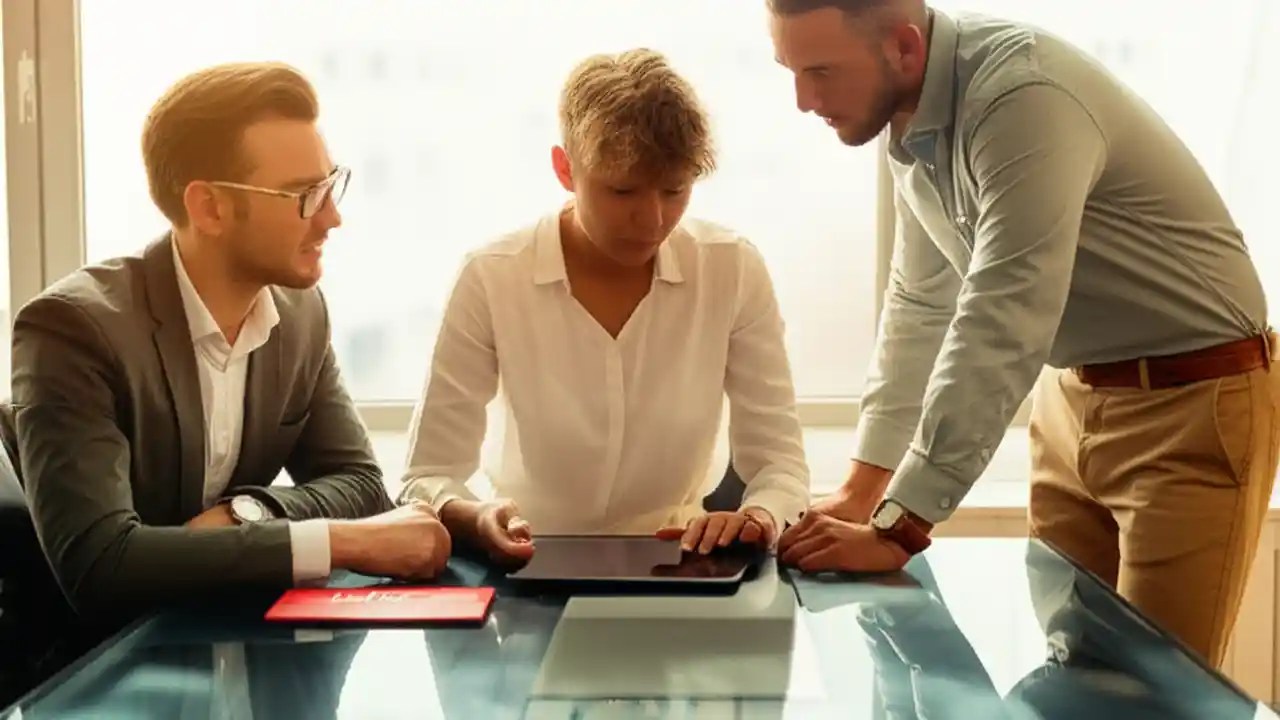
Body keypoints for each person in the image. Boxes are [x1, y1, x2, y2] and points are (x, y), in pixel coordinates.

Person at [768, 0, 1279, 668]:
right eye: (792, 71)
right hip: (1070, 401)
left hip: (1192, 405)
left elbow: (1002, 315)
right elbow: (922, 304)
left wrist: (902, 522)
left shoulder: (1021, 98)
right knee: (1076, 680)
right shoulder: (908, 121)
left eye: (822, 72)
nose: (804, 100)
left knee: (1159, 698)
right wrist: (865, 489)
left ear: (904, 48)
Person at [10, 62, 451, 619]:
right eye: (304, 195)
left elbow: (361, 485)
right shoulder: (73, 330)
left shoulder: (300, 314)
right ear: (209, 207)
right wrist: (339, 542)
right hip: (95, 671)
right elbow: (101, 564)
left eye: (330, 184)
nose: (332, 217)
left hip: (229, 641)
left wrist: (249, 512)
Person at [397, 48, 810, 565]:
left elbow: (781, 463)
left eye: (675, 190)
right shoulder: (491, 275)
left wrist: (760, 516)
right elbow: (426, 475)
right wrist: (474, 516)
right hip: (528, 565)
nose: (653, 220)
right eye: (622, 191)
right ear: (564, 169)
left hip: (680, 568)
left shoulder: (732, 267)